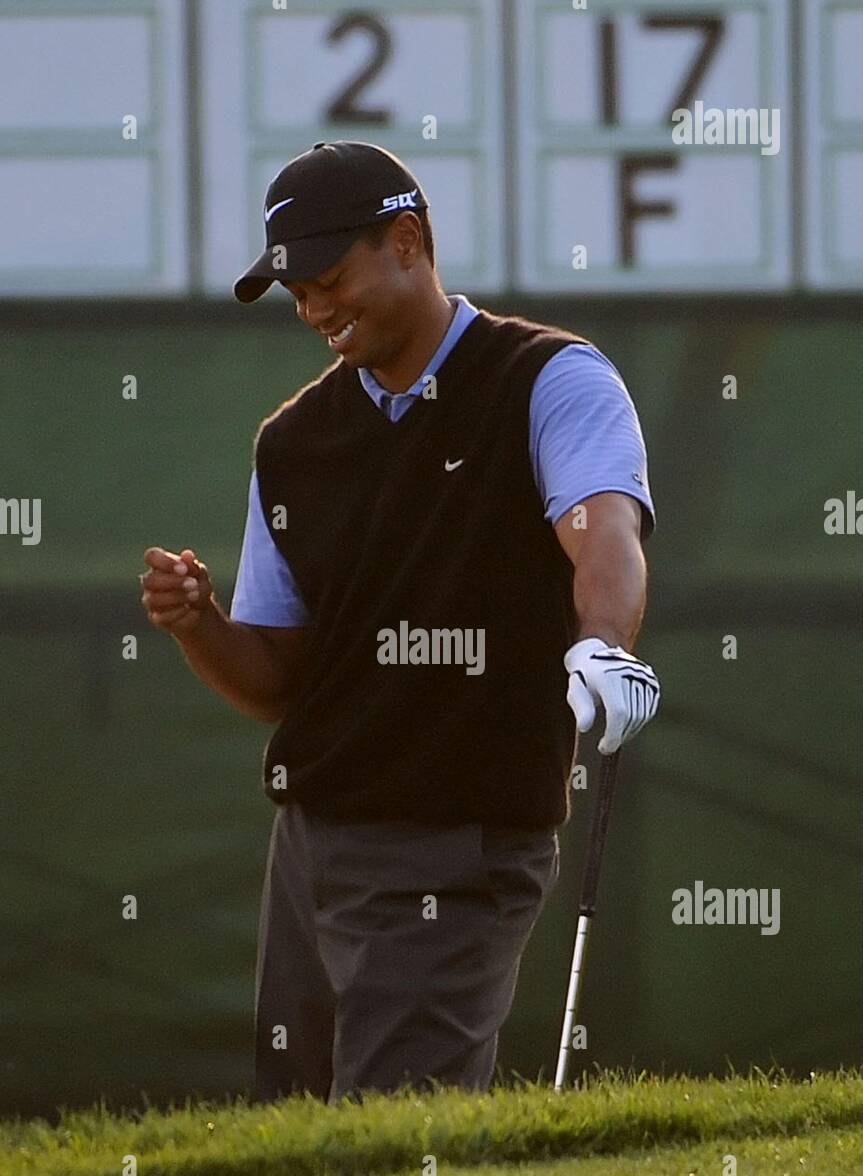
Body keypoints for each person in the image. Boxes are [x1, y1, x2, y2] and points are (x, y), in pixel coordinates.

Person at [141, 141, 661, 1104]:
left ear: (410, 241)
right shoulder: (292, 442)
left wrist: (602, 647)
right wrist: (198, 624)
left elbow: (604, 535)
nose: (314, 312)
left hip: (459, 838)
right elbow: (278, 681)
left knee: (396, 1138)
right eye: (297, 295)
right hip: (310, 844)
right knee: (296, 1144)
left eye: (331, 280)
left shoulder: (548, 378)